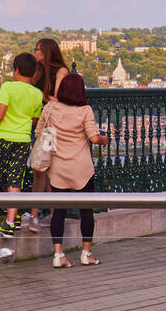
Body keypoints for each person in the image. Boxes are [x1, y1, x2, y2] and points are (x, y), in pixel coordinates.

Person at [34, 73, 109, 267]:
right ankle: (86, 253)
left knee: (58, 211)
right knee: (86, 211)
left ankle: (58, 255)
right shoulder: (85, 110)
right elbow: (93, 137)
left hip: (58, 167)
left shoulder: (50, 108)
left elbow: (38, 133)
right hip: (81, 167)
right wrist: (104, 139)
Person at [0, 53, 42, 237]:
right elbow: (34, 120)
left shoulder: (7, 87)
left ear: (16, 70)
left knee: (8, 178)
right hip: (23, 138)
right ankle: (13, 218)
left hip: (3, 137)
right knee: (16, 177)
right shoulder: (37, 94)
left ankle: (9, 222)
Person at [27, 38, 70, 231]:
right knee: (41, 169)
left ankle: (40, 214)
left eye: (38, 50)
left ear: (47, 52)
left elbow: (58, 99)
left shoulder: (60, 72)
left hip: (51, 127)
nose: (35, 53)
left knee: (43, 170)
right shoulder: (35, 72)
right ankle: (50, 214)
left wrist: (41, 96)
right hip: (36, 124)